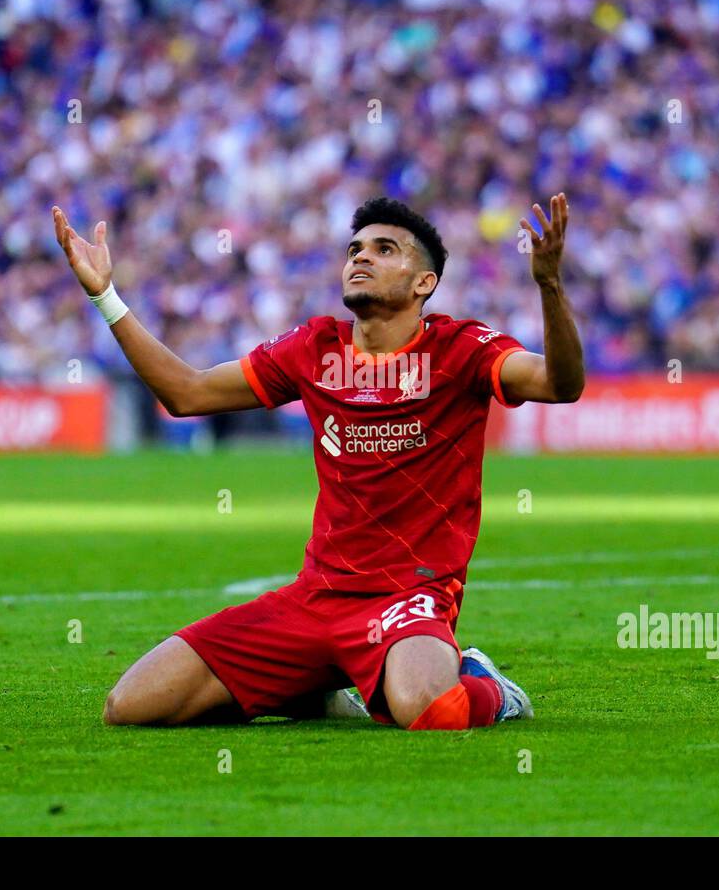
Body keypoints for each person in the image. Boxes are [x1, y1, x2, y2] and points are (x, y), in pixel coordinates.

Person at [51, 194, 585, 729]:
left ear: (424, 283)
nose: (361, 257)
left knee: (432, 709)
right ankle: (309, 690)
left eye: (384, 249)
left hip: (409, 596)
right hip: (317, 599)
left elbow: (561, 384)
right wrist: (105, 296)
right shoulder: (314, 348)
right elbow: (186, 393)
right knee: (131, 707)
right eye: (354, 248)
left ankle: (488, 683)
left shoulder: (461, 350)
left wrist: (549, 285)